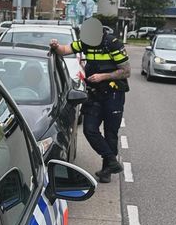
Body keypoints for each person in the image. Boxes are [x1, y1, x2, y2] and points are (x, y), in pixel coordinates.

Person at [50, 17, 131, 183]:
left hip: (113, 94)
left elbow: (126, 71)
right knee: (89, 129)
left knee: (110, 132)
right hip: (94, 94)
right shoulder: (85, 42)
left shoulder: (112, 43)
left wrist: (103, 76)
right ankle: (112, 161)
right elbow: (65, 50)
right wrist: (56, 46)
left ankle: (107, 170)